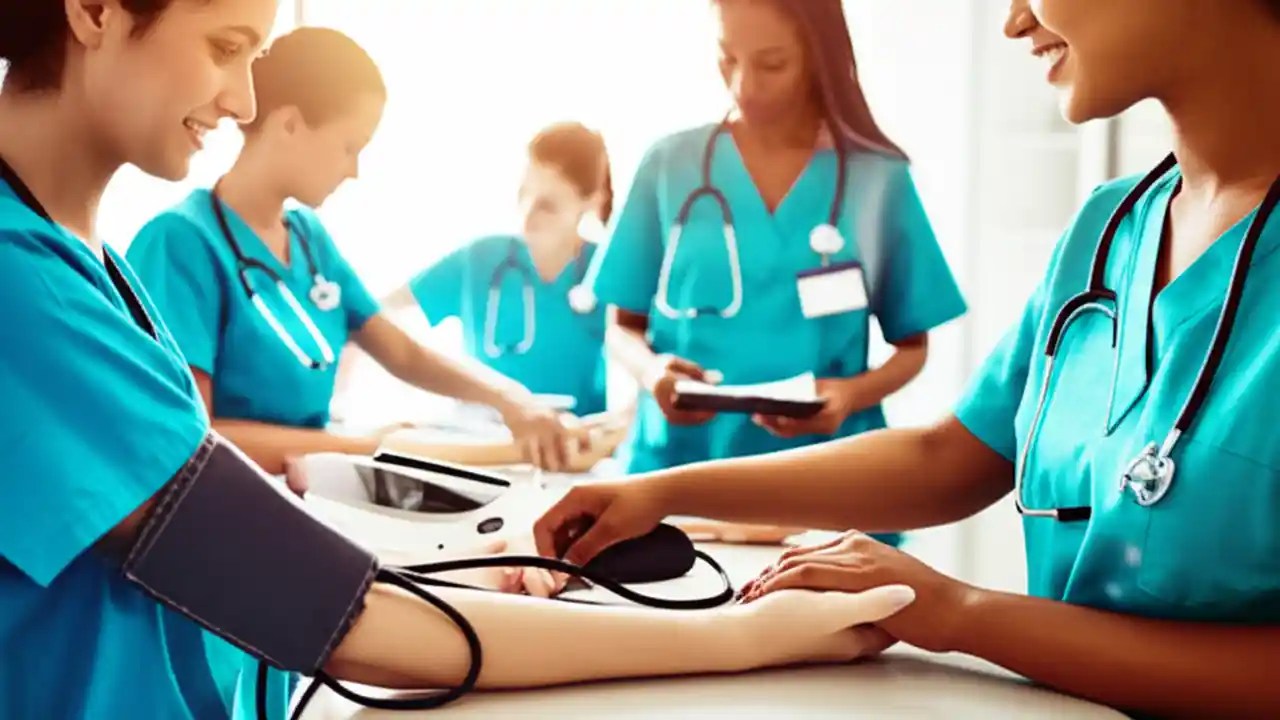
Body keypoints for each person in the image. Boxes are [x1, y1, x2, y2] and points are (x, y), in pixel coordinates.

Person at [0, 3, 919, 720]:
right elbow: (328, 613)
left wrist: (466, 571)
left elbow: (240, 562)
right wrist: (744, 639)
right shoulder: (23, 288)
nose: (244, 102)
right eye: (225, 46)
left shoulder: (86, 265)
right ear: (95, 9)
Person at [535, 0, 1280, 716]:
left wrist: (959, 612)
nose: (1013, 20)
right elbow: (948, 458)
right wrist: (663, 492)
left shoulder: (874, 177)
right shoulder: (1108, 228)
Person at [577, 0, 966, 547]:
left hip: (826, 489)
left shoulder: (876, 178)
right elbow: (623, 327)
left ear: (818, 56)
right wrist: (652, 372)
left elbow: (912, 347)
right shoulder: (669, 164)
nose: (743, 85)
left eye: (772, 63)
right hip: (680, 480)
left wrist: (850, 396)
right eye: (728, 58)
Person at [126, 27, 586, 475]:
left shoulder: (308, 239)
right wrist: (364, 446)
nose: (354, 170)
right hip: (224, 505)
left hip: (308, 487)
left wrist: (512, 400)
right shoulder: (180, 243)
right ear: (289, 124)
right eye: (350, 146)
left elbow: (402, 353)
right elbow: (194, 438)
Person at [376, 121, 630, 453]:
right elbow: (373, 315)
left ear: (591, 201)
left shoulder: (608, 271)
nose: (527, 215)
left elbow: (644, 361)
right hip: (478, 442)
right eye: (524, 194)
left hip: (567, 449)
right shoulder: (479, 259)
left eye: (547, 205)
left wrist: (613, 427)